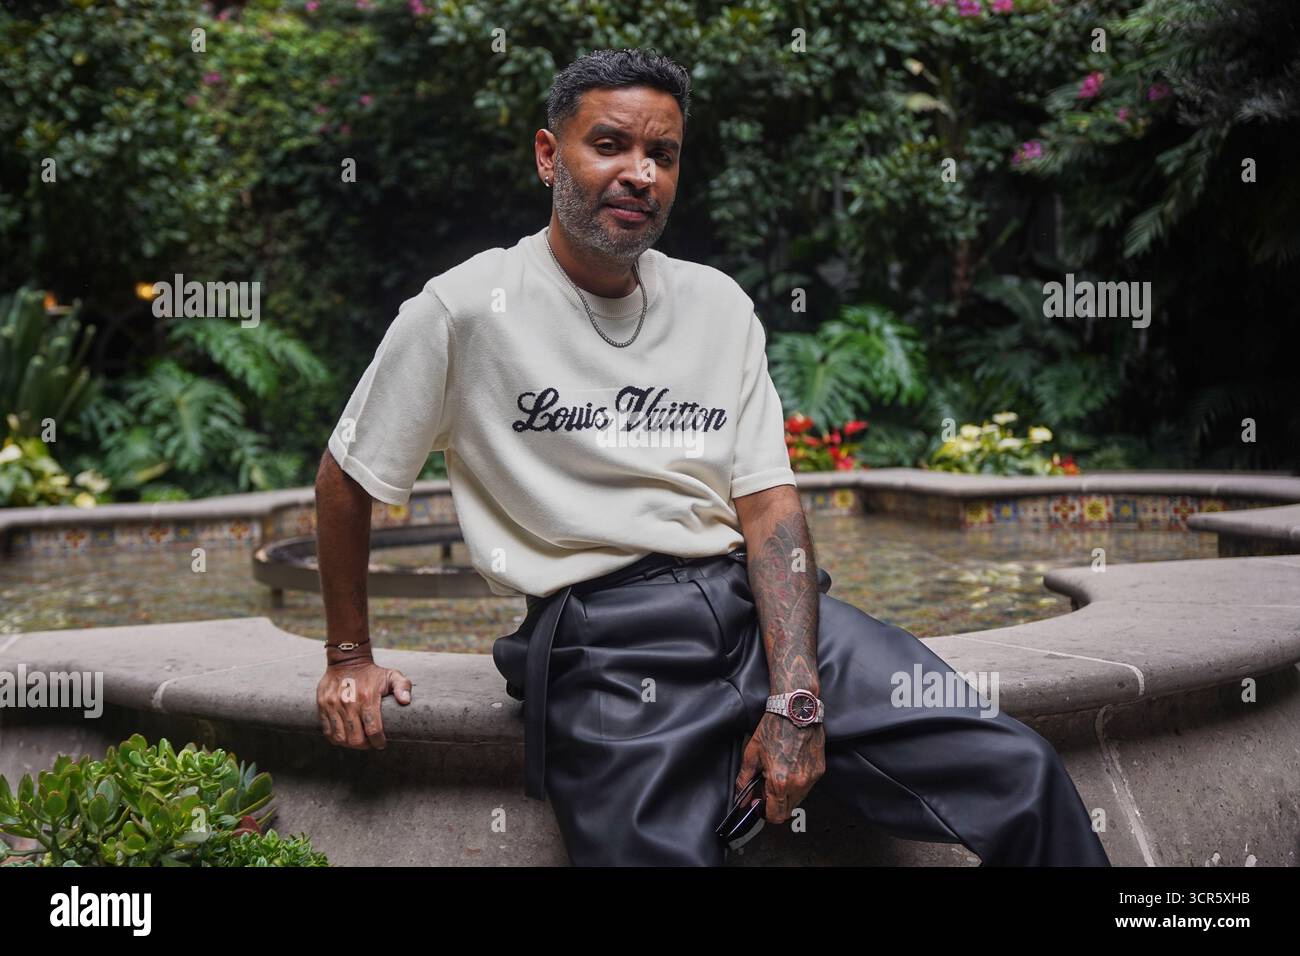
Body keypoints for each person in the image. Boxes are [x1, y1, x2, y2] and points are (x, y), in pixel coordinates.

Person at [314, 48, 1111, 867]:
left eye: (662, 155)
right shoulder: (462, 309)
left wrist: (797, 695)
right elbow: (349, 475)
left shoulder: (718, 304)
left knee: (1021, 774)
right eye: (612, 145)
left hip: (747, 608)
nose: (641, 174)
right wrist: (349, 657)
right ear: (549, 154)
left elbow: (769, 506)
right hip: (603, 643)